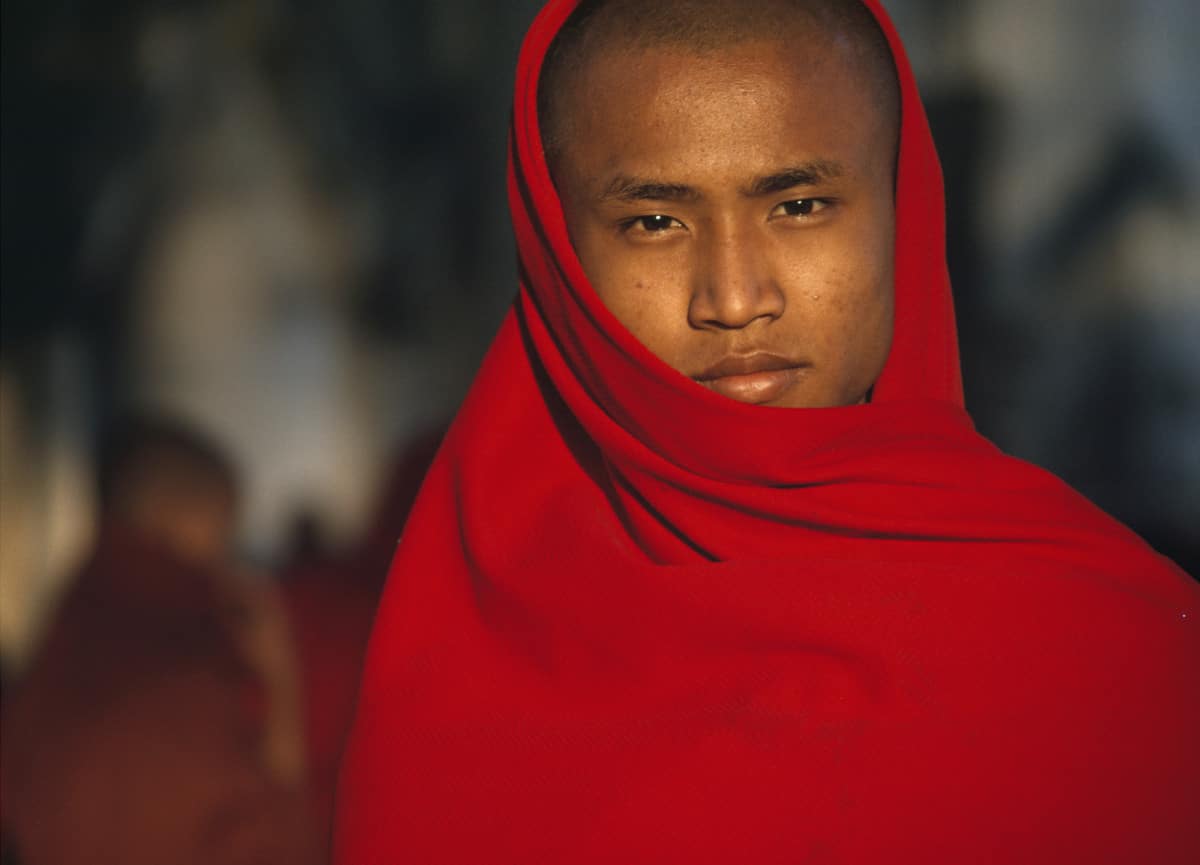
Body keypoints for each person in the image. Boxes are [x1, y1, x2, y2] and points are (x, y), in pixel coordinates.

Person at [334, 1, 1200, 863]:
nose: (735, 298)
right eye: (654, 223)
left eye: (800, 205)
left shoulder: (1123, 657)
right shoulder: (464, 654)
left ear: (905, 211)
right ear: (558, 250)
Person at [1, 417, 317, 865]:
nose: (224, 562)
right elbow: (277, 847)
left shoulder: (64, 641)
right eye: (223, 529)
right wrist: (283, 682)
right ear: (176, 514)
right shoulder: (186, 669)